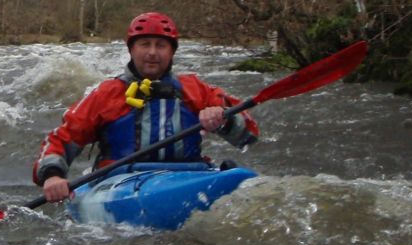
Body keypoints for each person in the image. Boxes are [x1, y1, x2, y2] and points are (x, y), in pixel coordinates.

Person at [33, 11, 260, 203]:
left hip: (190, 177)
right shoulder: (105, 95)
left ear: (172, 52)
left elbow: (249, 134)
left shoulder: (196, 90)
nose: (152, 52)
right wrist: (53, 176)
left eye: (161, 45)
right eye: (144, 44)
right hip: (120, 181)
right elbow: (61, 140)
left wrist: (224, 119)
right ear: (131, 50)